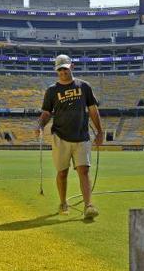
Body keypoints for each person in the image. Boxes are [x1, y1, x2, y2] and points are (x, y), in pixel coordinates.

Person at [35, 54, 103, 219]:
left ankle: (89, 205)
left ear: (72, 67)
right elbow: (46, 112)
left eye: (65, 68)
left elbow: (93, 110)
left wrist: (100, 131)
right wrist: (40, 125)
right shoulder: (52, 91)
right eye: (60, 69)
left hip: (82, 136)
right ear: (56, 71)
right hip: (60, 136)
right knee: (62, 173)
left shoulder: (84, 86)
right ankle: (63, 202)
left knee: (84, 171)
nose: (63, 72)